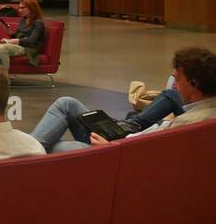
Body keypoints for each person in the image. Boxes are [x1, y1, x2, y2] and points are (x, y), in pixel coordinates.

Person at [32, 47, 216, 152]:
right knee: (67, 103)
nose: (174, 85)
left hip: (116, 152)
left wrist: (114, 146)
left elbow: (149, 157)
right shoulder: (202, 111)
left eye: (177, 79)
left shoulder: (187, 124)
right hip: (126, 139)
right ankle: (23, 153)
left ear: (194, 83)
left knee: (52, 147)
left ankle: (18, 159)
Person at [0, 0, 46, 71]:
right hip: (18, 45)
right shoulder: (23, 20)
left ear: (31, 8)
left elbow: (32, 40)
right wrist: (11, 33)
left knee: (3, 48)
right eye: (19, 8)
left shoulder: (38, 23)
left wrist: (14, 41)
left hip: (28, 48)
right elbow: (18, 35)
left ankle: (3, 76)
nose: (20, 10)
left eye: (23, 8)